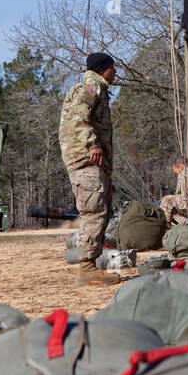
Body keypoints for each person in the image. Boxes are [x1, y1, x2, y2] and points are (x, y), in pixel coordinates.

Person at [59, 52, 121, 285]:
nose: (115, 72)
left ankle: (90, 264)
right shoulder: (91, 87)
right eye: (112, 68)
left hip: (93, 161)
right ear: (102, 69)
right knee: (94, 211)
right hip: (86, 159)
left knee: (100, 210)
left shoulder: (98, 89)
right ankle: (87, 268)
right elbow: (79, 119)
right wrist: (93, 145)